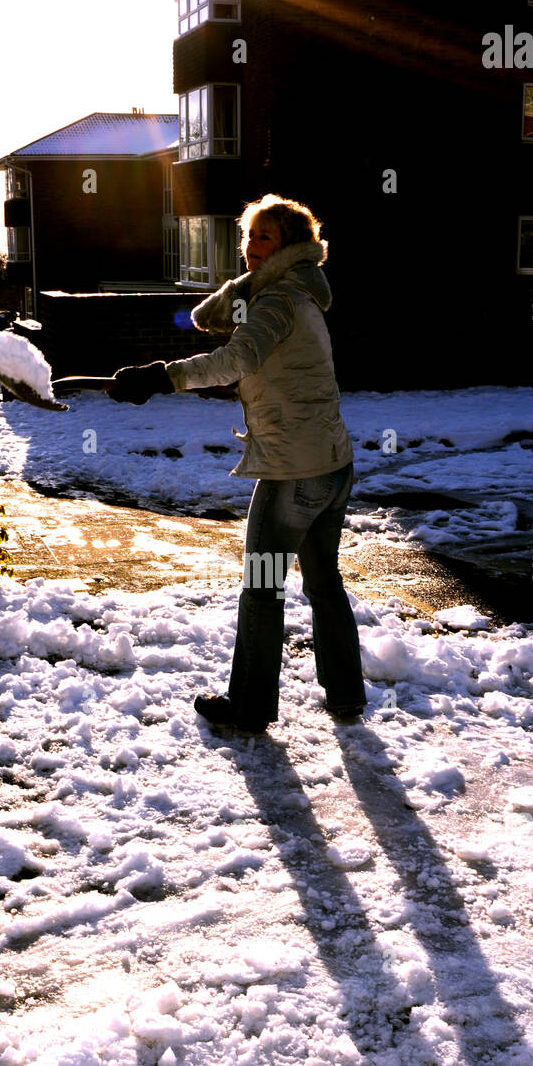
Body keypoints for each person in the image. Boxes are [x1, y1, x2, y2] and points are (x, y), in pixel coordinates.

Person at [106, 193, 366, 735]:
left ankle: (249, 706)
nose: (250, 247)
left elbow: (236, 356)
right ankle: (345, 695)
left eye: (264, 237)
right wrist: (238, 393)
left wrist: (162, 376)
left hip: (292, 478)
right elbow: (287, 375)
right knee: (323, 583)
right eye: (247, 236)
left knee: (263, 587)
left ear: (290, 246)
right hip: (331, 469)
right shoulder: (304, 297)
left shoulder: (277, 301)